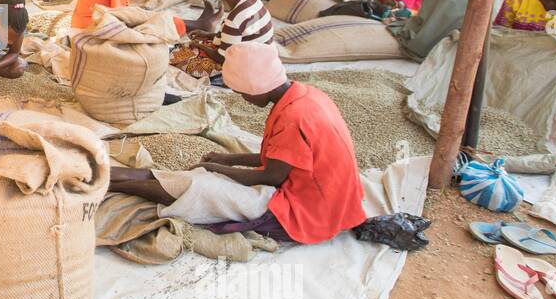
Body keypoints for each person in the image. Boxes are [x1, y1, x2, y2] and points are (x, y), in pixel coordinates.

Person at [110, 42, 366, 245]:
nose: (242, 98)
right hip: (321, 194)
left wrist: (219, 170)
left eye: (242, 92)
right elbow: (281, 156)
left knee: (202, 186)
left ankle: (113, 185)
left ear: (256, 87)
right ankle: (107, 177)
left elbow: (272, 176)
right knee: (192, 175)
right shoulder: (303, 95)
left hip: (313, 210)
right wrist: (228, 159)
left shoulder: (294, 116)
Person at [170, 0, 272, 78]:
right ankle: (204, 29)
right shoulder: (254, 0)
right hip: (263, 57)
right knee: (199, 40)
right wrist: (209, 35)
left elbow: (222, 58)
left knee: (181, 56)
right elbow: (239, 35)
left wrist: (200, 47)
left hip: (248, 67)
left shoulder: (234, 19)